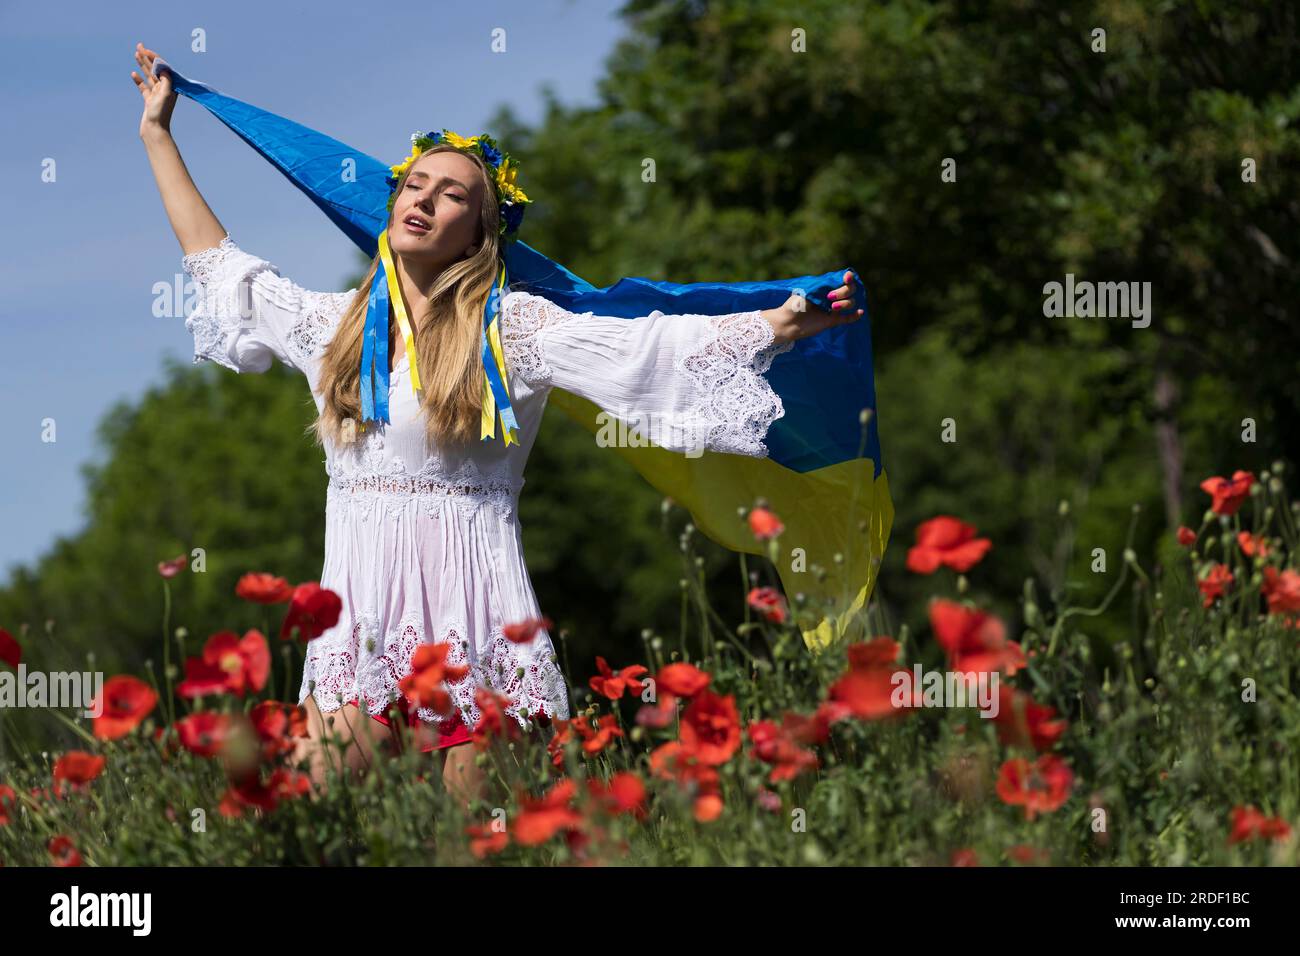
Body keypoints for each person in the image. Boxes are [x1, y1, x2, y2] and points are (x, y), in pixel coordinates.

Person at [132, 42, 864, 799]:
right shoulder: (332, 327)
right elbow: (220, 264)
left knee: (483, 837)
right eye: (414, 184)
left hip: (484, 619)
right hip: (360, 619)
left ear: (480, 227)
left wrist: (773, 324)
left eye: (451, 194)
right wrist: (159, 133)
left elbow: (647, 345)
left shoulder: (514, 329)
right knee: (318, 809)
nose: (423, 198)